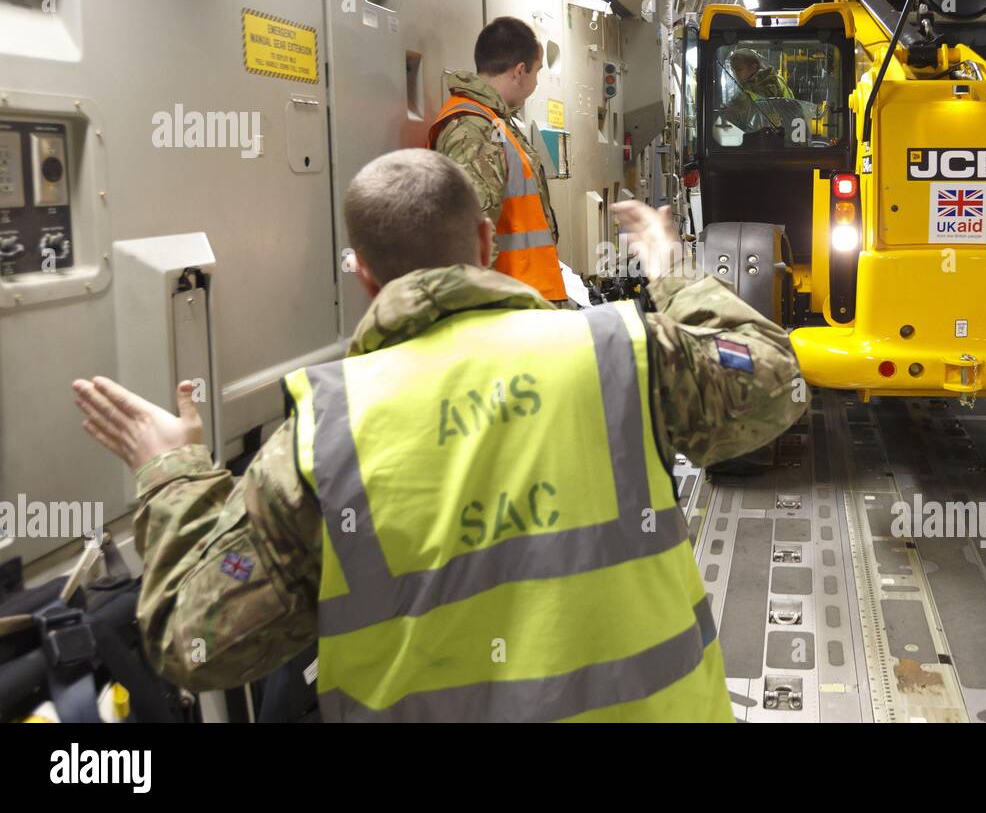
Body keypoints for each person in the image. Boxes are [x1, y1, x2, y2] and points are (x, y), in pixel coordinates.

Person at [70, 149, 805, 722]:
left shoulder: (325, 436)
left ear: (363, 277)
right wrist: (669, 270)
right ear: (486, 241)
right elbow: (777, 382)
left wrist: (173, 471)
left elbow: (192, 642)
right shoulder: (618, 355)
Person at [429, 16, 566, 304]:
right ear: (519, 71)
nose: (536, 82)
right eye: (537, 72)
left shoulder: (494, 122)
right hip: (507, 309)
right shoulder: (471, 129)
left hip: (524, 299)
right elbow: (470, 234)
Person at [720, 48, 793, 130]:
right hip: (785, 133)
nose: (735, 74)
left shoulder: (746, 93)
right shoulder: (779, 80)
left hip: (759, 137)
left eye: (739, 69)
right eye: (733, 70)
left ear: (753, 67)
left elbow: (729, 121)